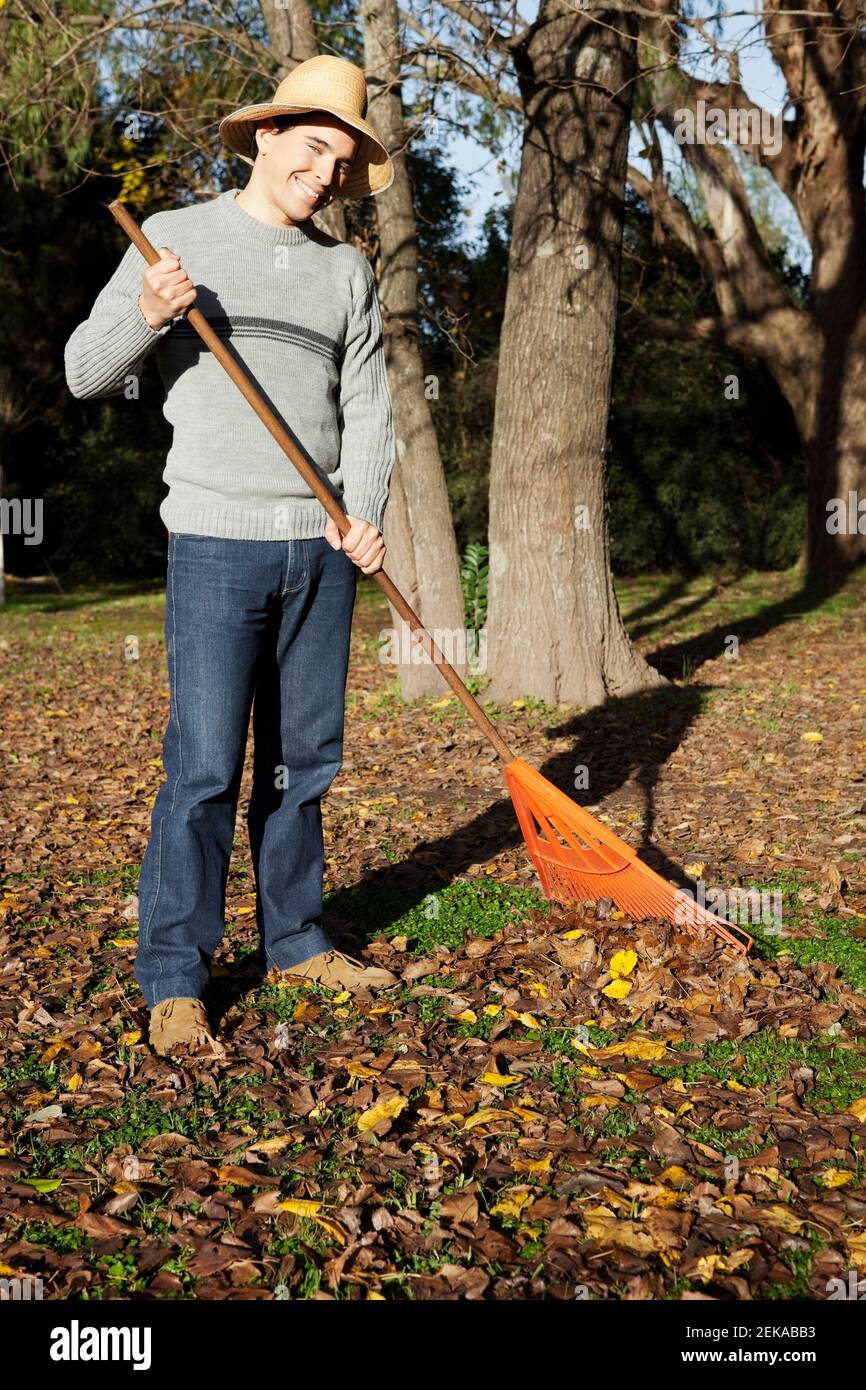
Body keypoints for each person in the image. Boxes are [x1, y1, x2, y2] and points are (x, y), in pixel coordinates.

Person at [64, 55, 400, 1057]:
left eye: (341, 159)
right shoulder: (175, 237)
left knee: (303, 767)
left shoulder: (346, 271)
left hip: (323, 553)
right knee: (204, 769)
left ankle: (296, 940)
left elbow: (369, 409)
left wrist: (364, 511)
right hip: (215, 545)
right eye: (313, 147)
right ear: (264, 137)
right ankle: (174, 976)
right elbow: (87, 371)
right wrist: (150, 313)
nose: (325, 171)